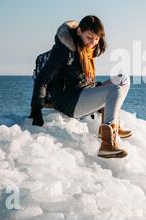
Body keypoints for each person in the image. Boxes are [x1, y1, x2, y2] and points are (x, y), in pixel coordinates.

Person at [29, 15, 131, 159]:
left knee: (123, 78)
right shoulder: (64, 50)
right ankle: (107, 144)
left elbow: (82, 79)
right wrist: (36, 110)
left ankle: (111, 127)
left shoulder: (86, 49)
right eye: (89, 37)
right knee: (115, 89)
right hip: (69, 101)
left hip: (83, 92)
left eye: (96, 39)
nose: (93, 43)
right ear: (79, 32)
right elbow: (43, 78)